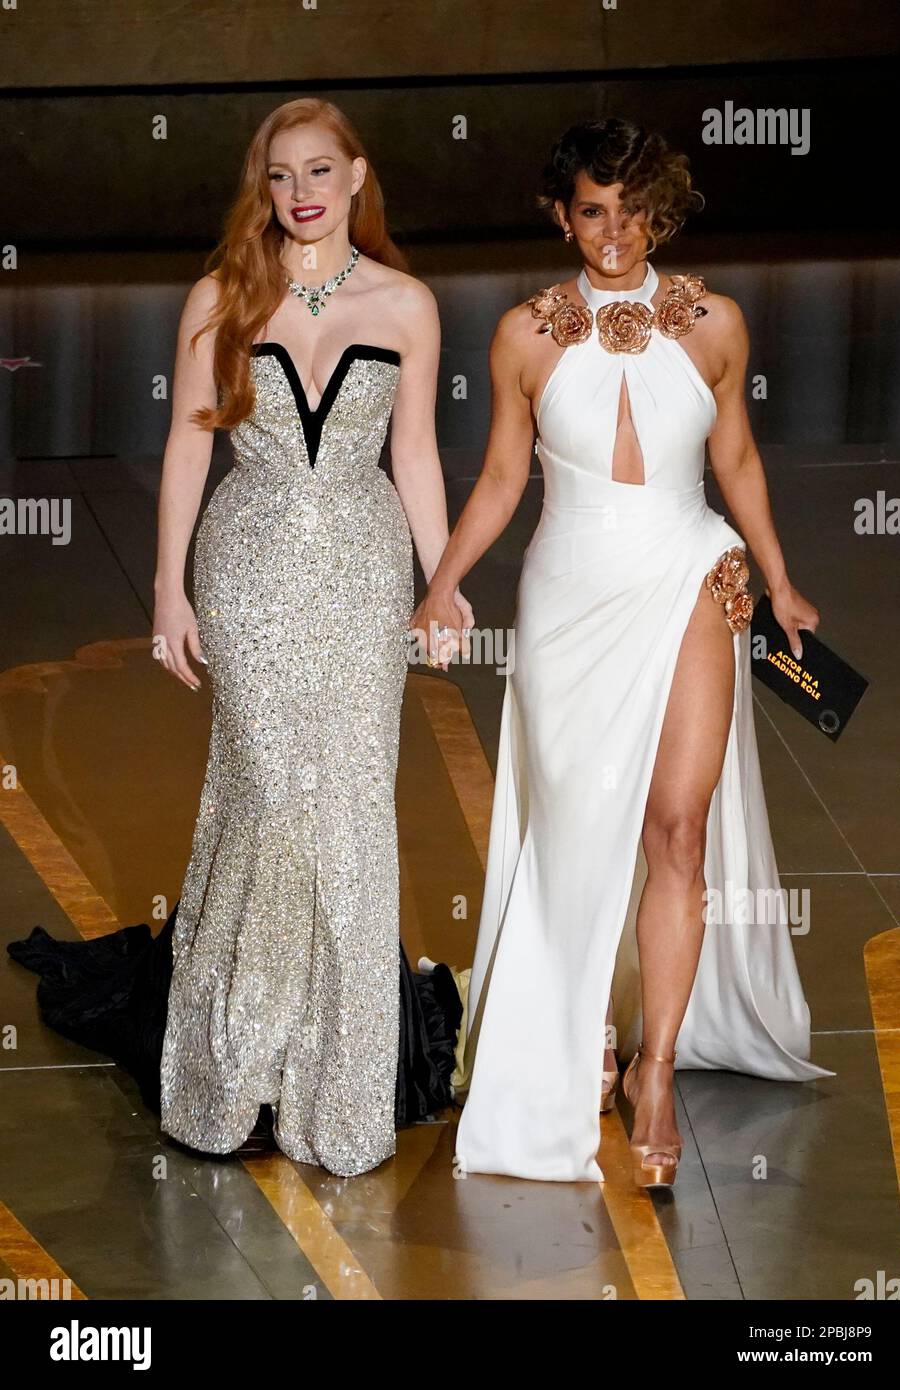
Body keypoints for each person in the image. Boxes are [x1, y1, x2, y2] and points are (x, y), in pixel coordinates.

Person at [9, 97, 471, 1179]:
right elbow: (184, 445)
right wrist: (168, 590)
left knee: (348, 800)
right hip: (251, 561)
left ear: (356, 175)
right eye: (279, 174)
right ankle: (232, 1067)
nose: (300, 191)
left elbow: (414, 457)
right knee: (265, 789)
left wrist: (441, 581)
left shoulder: (405, 304)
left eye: (319, 169)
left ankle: (333, 1084)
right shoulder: (223, 292)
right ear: (261, 186)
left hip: (361, 566)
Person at [412, 117, 834, 1188]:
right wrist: (446, 577)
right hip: (568, 598)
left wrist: (779, 580)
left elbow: (734, 454)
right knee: (576, 831)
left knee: (675, 827)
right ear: (563, 214)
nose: (613, 232)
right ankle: (580, 1034)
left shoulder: (715, 323)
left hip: (691, 571)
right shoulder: (525, 336)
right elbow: (504, 479)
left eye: (633, 210)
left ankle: (655, 1066)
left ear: (663, 211)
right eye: (592, 210)